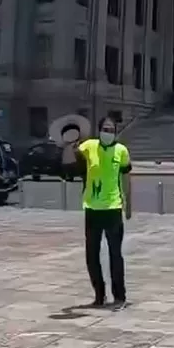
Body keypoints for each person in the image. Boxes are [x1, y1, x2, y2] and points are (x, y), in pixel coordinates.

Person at [62, 116, 132, 311]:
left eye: (111, 130)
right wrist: (69, 144)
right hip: (92, 208)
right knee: (91, 255)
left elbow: (126, 178)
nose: (108, 133)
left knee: (115, 254)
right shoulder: (90, 146)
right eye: (105, 129)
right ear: (99, 130)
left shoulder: (121, 151)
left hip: (113, 208)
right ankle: (99, 294)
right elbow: (69, 158)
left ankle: (120, 296)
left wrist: (129, 204)